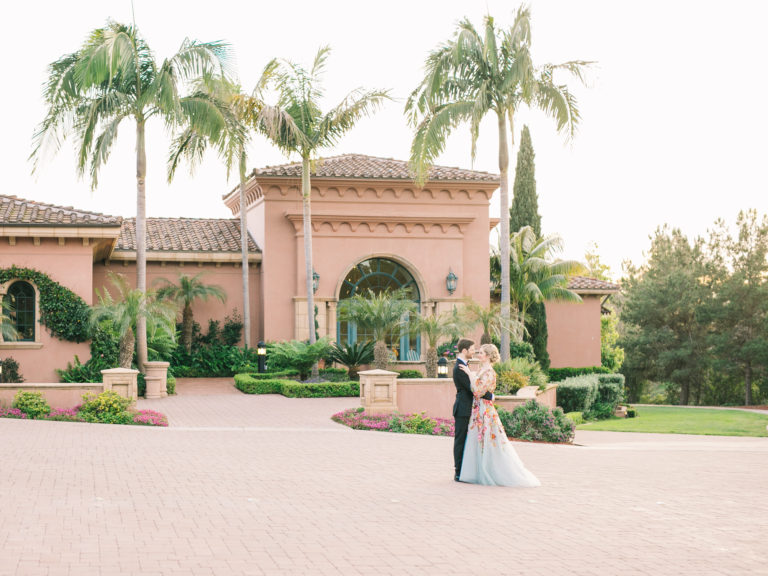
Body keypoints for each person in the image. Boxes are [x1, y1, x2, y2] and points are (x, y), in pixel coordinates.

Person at [458, 343, 540, 487]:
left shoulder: (489, 372)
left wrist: (469, 374)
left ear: (488, 356)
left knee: (489, 439)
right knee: (478, 438)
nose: (479, 354)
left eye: (482, 353)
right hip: (478, 409)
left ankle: (493, 470)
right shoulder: (481, 369)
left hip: (485, 411)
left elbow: (478, 391)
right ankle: (475, 472)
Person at [452, 338, 493, 481]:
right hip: (463, 409)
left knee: (467, 440)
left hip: (471, 409)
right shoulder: (459, 368)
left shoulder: (466, 366)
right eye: (471, 349)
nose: (473, 352)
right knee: (460, 440)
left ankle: (466, 471)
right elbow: (473, 389)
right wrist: (491, 396)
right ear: (464, 350)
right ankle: (458, 472)